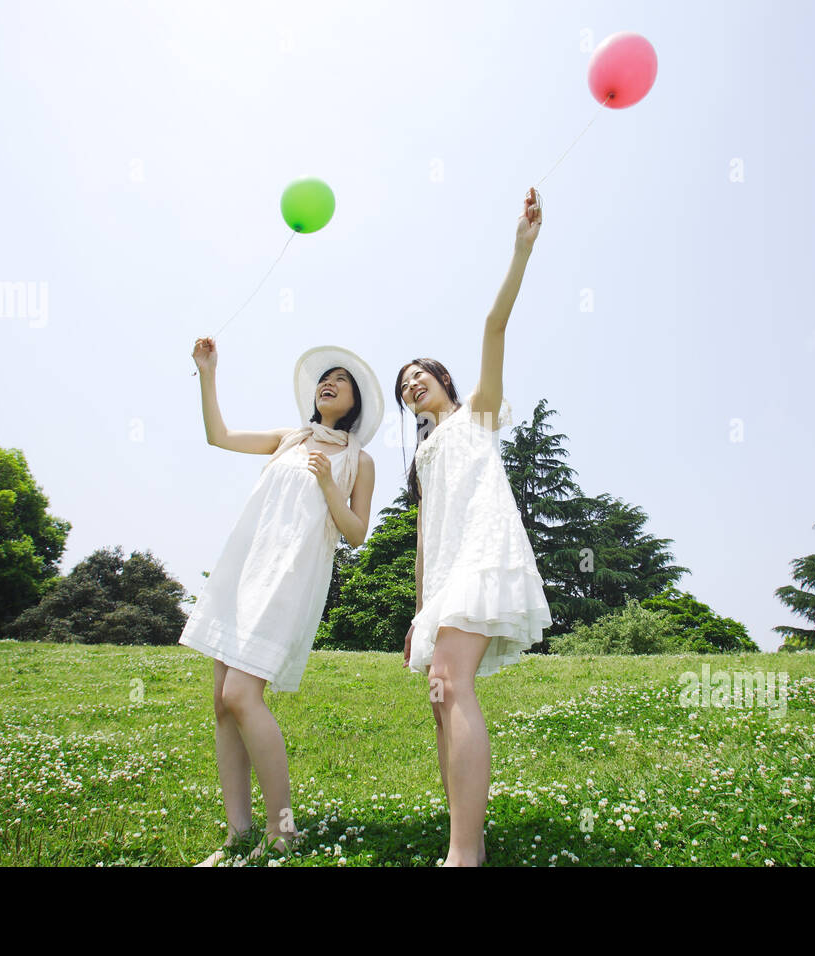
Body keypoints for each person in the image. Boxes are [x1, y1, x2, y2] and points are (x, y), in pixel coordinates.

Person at [395, 187, 552, 866]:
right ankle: (469, 836)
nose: (409, 386)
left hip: (486, 553)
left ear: (444, 379)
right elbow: (428, 534)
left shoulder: (479, 416)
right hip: (445, 575)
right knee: (440, 694)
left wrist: (520, 248)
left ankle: (464, 854)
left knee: (453, 683)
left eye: (418, 375)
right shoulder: (427, 453)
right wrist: (419, 609)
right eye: (402, 384)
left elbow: (494, 327)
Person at [182, 341, 381, 863]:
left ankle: (282, 828)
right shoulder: (288, 437)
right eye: (325, 378)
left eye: (342, 380)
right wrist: (208, 373)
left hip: (288, 579)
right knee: (224, 703)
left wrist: (327, 484)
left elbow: (356, 533)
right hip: (244, 568)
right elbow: (217, 436)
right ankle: (237, 833)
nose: (329, 383)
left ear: (354, 402)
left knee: (244, 695)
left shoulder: (359, 461)